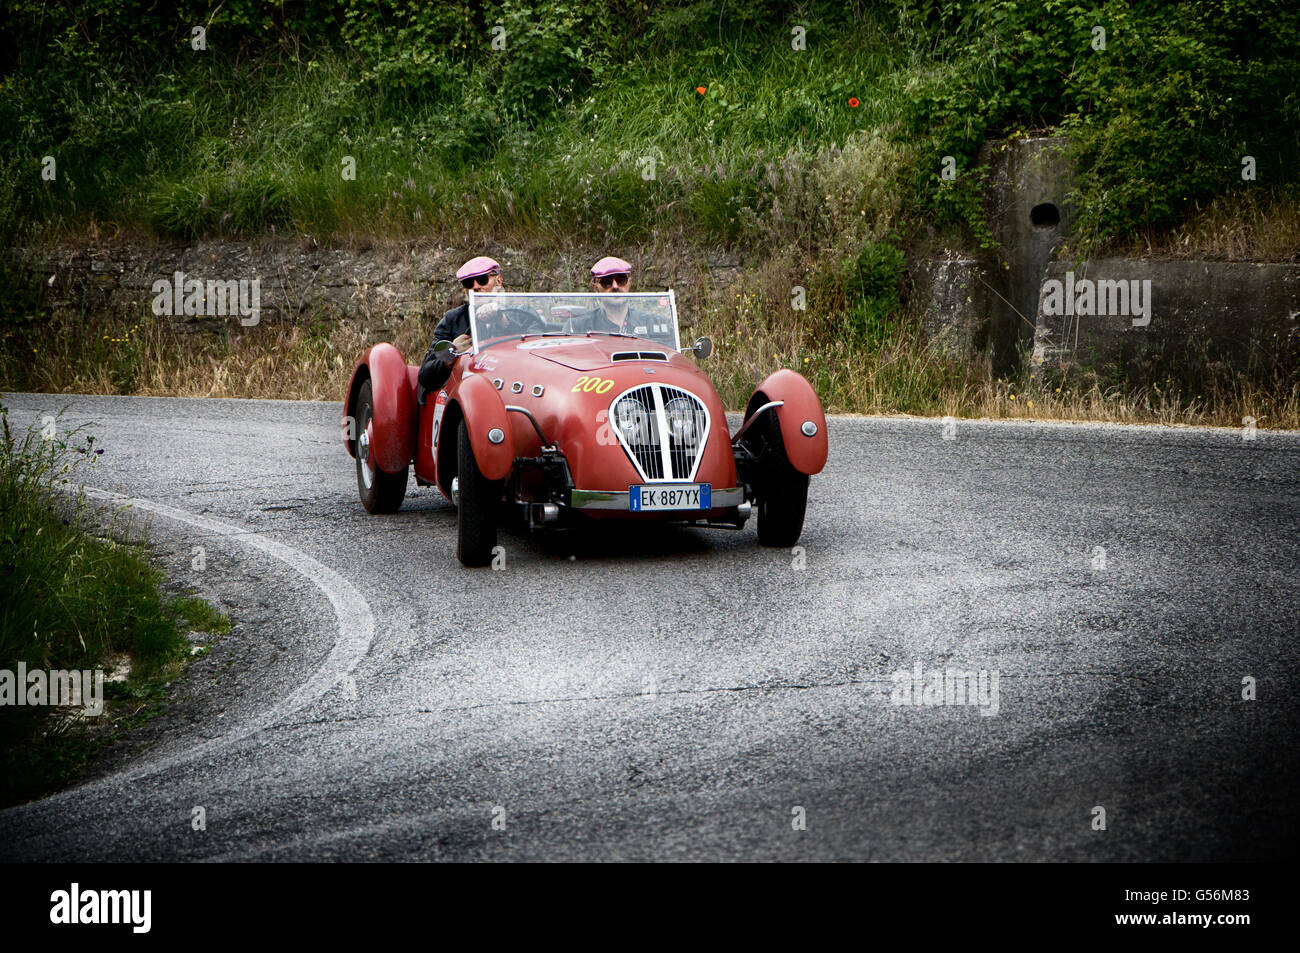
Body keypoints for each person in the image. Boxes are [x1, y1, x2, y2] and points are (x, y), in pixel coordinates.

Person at [417, 256, 504, 402]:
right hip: (465, 396)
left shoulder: (522, 313)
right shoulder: (453, 319)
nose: (476, 286)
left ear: (498, 281)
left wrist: (503, 321)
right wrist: (450, 353)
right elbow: (425, 375)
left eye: (482, 280)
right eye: (469, 283)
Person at [570, 256, 660, 336]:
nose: (615, 286)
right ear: (596, 288)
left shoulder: (654, 323)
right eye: (607, 282)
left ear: (629, 283)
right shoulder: (577, 327)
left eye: (621, 280)